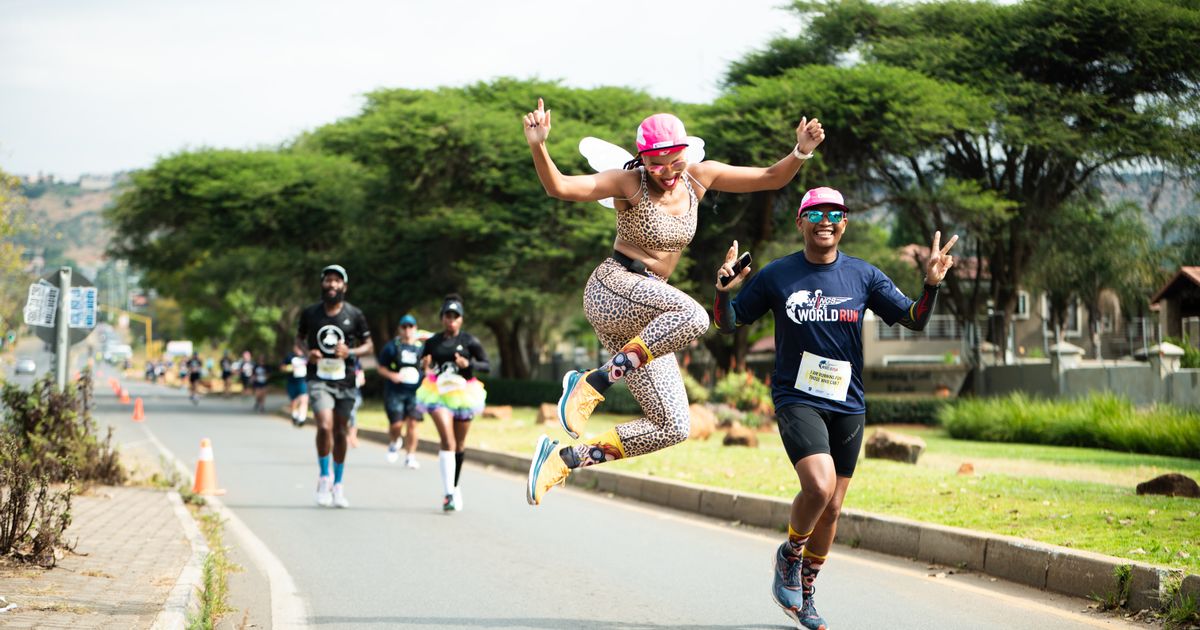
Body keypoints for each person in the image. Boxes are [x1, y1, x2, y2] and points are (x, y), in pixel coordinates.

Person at [521, 98, 825, 505]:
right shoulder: (629, 184)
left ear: (686, 152)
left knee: (673, 425)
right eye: (655, 164)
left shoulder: (699, 178)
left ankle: (562, 460)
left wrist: (801, 150)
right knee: (694, 315)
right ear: (642, 160)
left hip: (648, 323)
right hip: (614, 287)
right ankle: (591, 383)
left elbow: (771, 177)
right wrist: (539, 144)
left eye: (673, 162)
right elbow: (558, 187)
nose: (666, 172)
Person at [712, 187, 958, 629]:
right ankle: (789, 555)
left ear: (844, 222)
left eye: (835, 213)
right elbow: (727, 323)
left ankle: (805, 594)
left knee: (833, 508)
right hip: (797, 396)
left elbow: (913, 318)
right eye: (816, 213)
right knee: (819, 486)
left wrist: (931, 284)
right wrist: (723, 293)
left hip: (848, 402)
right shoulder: (776, 276)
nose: (826, 219)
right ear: (800, 222)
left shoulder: (863, 276)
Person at [294, 264, 373, 509]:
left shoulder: (355, 314)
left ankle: (338, 484)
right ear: (322, 284)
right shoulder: (310, 313)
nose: (332, 284)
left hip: (346, 380)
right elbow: (298, 340)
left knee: (340, 432)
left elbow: (368, 345)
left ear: (344, 287)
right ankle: (323, 477)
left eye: (337, 281)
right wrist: (309, 353)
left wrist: (350, 351)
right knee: (324, 426)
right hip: (319, 379)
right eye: (328, 280)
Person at [414, 295, 489, 512]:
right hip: (438, 393)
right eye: (448, 316)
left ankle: (455, 487)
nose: (451, 320)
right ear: (442, 318)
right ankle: (448, 494)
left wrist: (469, 363)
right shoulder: (433, 342)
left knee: (459, 444)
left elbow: (487, 366)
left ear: (461, 320)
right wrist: (424, 364)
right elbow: (421, 365)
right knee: (447, 441)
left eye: (456, 317)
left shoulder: (470, 341)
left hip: (464, 393)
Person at [376, 314, 425, 467]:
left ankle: (410, 455)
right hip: (395, 391)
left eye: (410, 326)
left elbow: (427, 367)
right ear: (400, 329)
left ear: (415, 328)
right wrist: (392, 375)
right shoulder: (392, 347)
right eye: (404, 327)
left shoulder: (421, 348)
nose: (407, 330)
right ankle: (394, 440)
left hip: (416, 392)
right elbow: (381, 368)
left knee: (413, 424)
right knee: (396, 424)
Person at [282, 351, 309, 426]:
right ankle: (294, 415)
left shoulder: (307, 356)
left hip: (303, 381)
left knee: (304, 399)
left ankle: (302, 419)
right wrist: (289, 368)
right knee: (294, 401)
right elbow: (282, 367)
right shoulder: (290, 357)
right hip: (292, 381)